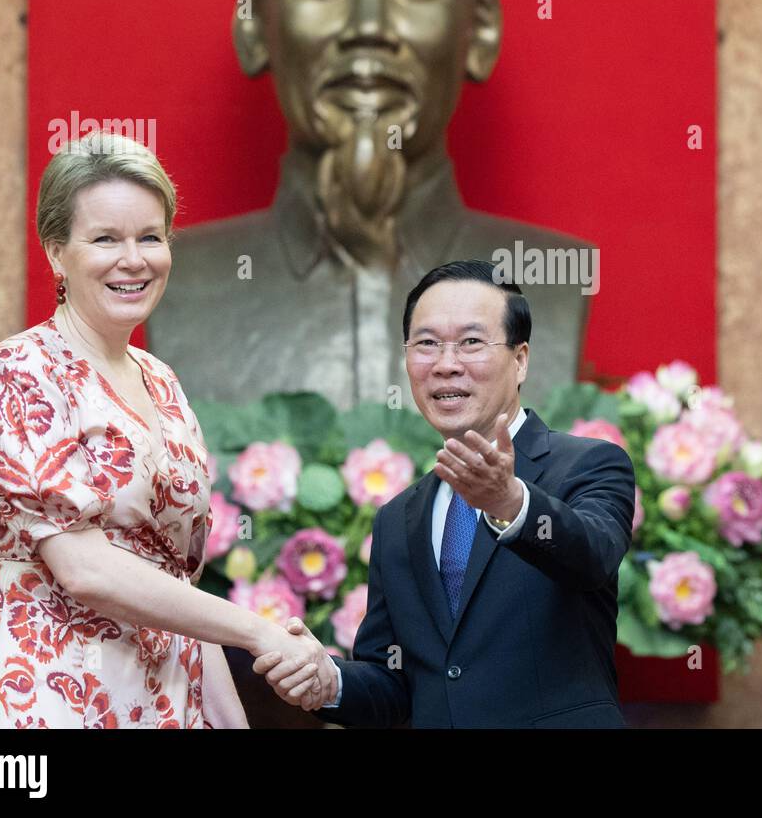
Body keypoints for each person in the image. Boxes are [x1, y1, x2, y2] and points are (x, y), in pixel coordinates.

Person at [148, 0, 595, 411]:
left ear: (481, 26)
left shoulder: (550, 280)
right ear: (254, 21)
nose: (367, 27)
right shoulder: (170, 286)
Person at [0, 132, 324, 728]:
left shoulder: (163, 383)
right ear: (55, 252)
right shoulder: (22, 369)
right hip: (50, 686)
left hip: (165, 693)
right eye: (105, 239)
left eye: (150, 237)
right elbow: (87, 570)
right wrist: (259, 633)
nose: (134, 259)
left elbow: (174, 580)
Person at [254, 260, 636, 727]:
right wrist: (329, 681)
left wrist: (510, 504)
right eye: (427, 344)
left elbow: (592, 556)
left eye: (472, 342)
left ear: (520, 360)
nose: (446, 364)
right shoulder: (398, 517)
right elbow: (395, 681)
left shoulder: (589, 464)